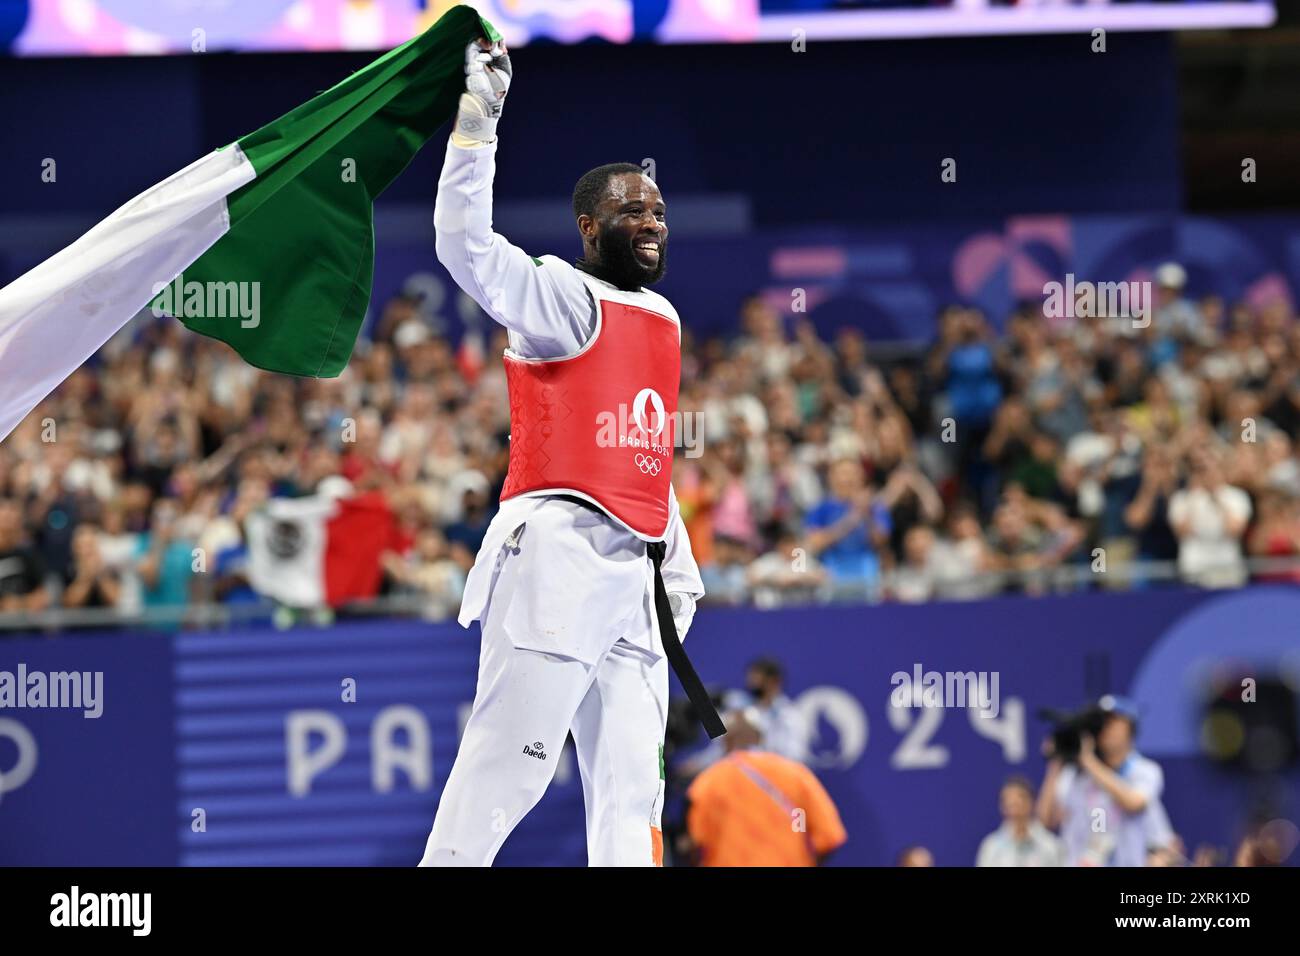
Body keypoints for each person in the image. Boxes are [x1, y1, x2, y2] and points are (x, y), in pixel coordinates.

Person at [419, 36, 715, 867]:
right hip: (558, 561)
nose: (651, 223)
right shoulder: (559, 295)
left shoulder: (667, 319)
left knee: (633, 795)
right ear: (590, 227)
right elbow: (463, 247)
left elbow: (644, 452)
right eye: (632, 211)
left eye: (658, 210)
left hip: (640, 579)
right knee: (506, 772)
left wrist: (674, 561)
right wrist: (479, 123)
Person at [684, 709, 846, 867]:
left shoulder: (709, 782)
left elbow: (694, 844)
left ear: (726, 741)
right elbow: (830, 836)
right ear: (760, 737)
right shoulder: (797, 775)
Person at [1036, 696, 1173, 867]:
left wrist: (1089, 761)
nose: (1106, 729)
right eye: (1103, 723)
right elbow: (1046, 821)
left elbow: (1133, 803)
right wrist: (1056, 763)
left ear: (1130, 727)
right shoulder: (1075, 775)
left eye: (1113, 721)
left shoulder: (1144, 770)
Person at [975, 776, 1065, 867]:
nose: (1014, 810)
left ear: (1031, 803)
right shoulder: (991, 847)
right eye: (1009, 803)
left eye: (1018, 802)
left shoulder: (1050, 846)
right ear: (1002, 807)